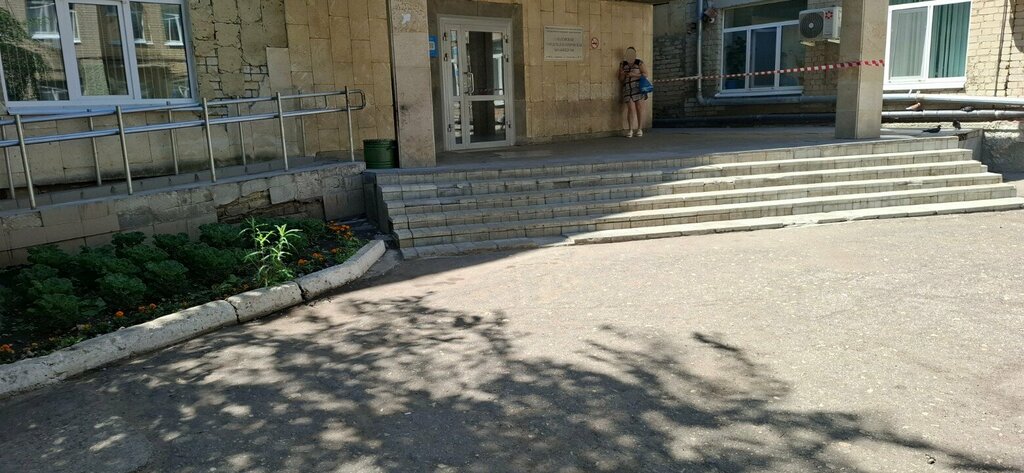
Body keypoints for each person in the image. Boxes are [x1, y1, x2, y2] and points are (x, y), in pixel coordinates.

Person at [618, 46, 649, 138]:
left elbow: (645, 74)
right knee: (631, 108)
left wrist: (634, 74)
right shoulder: (622, 64)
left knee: (639, 107)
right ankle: (630, 129)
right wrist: (622, 74)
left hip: (638, 88)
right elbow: (620, 79)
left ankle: (639, 129)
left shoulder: (639, 63)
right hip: (628, 88)